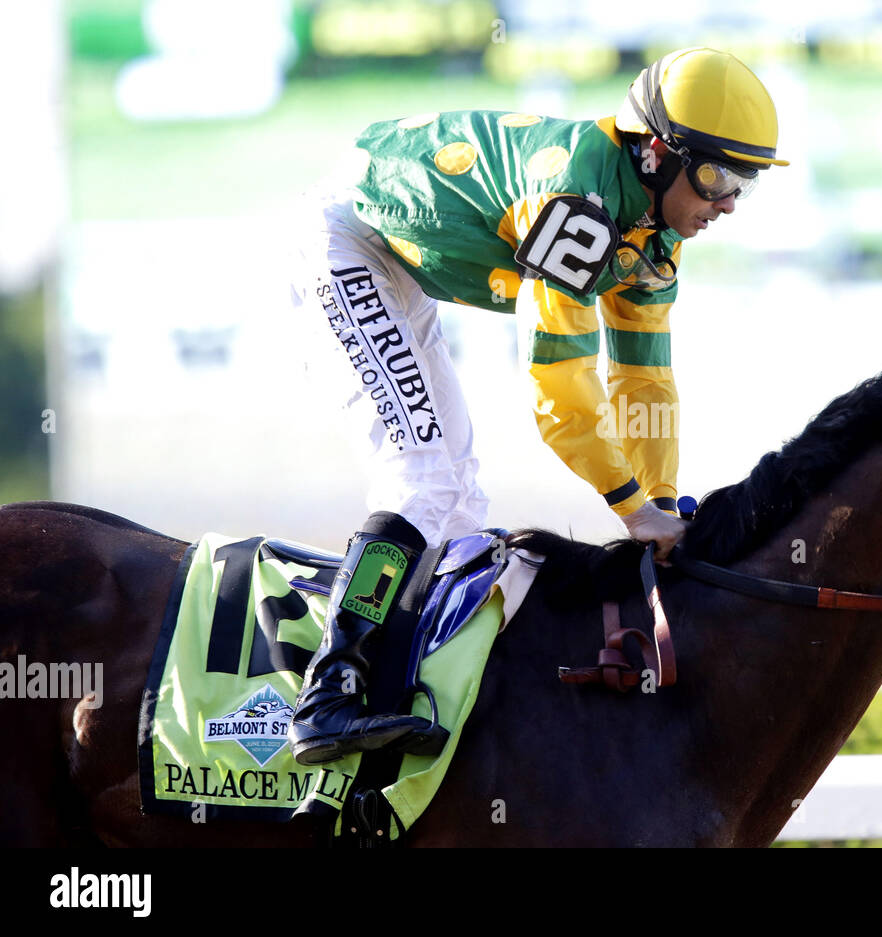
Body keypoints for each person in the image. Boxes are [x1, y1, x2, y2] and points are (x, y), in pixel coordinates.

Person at [285, 47, 789, 765]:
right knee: (422, 476)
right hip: (349, 240)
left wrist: (663, 503)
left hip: (396, 260)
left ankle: (404, 687)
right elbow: (559, 389)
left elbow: (644, 384)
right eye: (715, 176)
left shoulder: (655, 235)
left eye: (745, 183)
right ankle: (329, 689)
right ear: (656, 153)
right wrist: (629, 507)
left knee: (458, 500)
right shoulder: (578, 204)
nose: (727, 203)